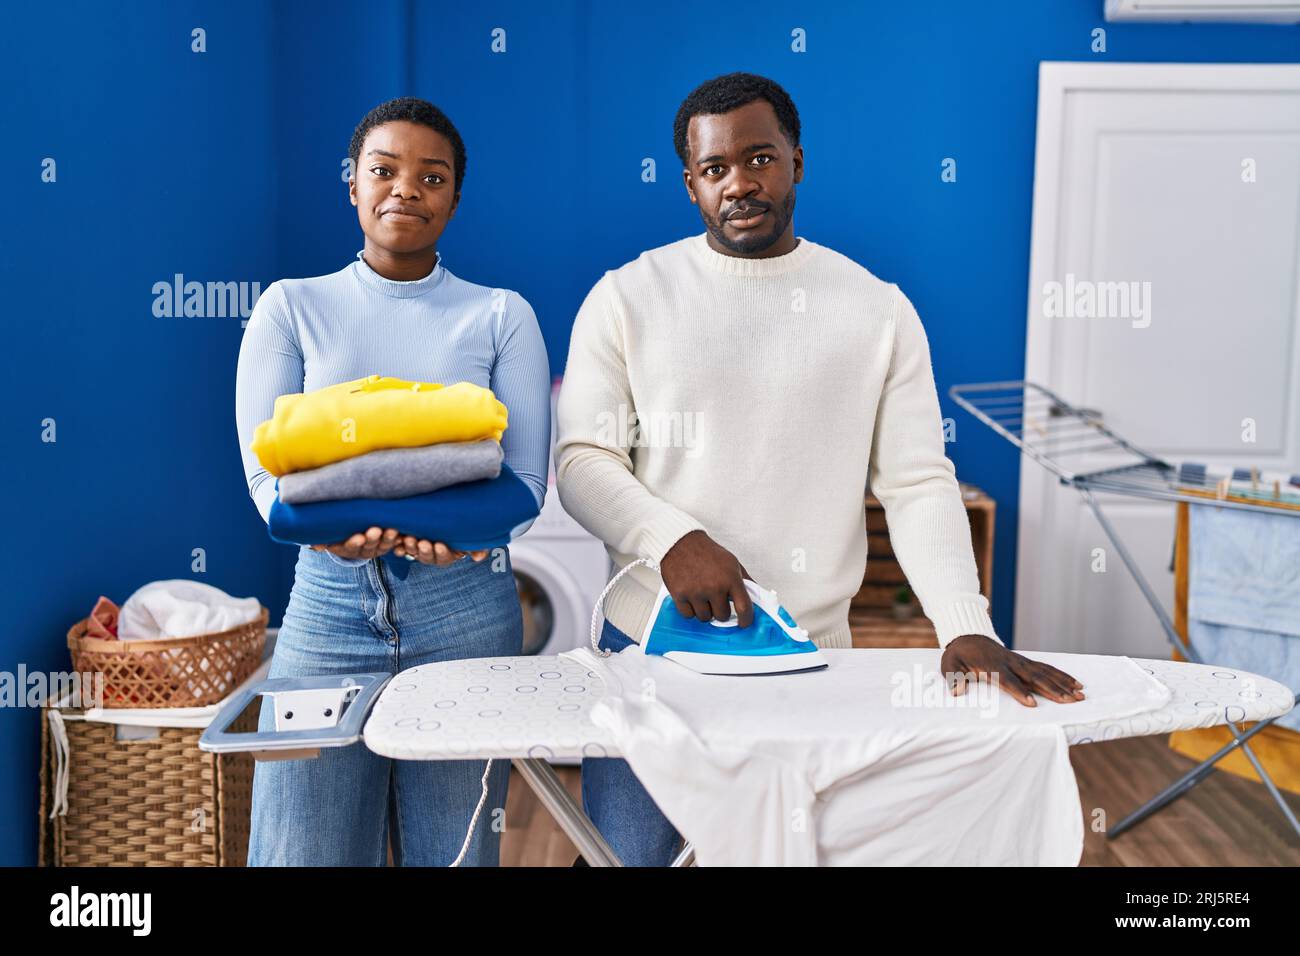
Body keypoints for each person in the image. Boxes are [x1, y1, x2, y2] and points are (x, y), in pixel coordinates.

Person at [554, 72, 1084, 866]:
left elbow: (916, 483)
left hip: (814, 658)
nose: (740, 184)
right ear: (690, 182)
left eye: (759, 158)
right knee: (632, 858)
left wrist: (965, 624)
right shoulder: (627, 297)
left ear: (797, 161)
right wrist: (672, 540)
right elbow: (583, 460)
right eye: (715, 169)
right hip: (650, 649)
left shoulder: (875, 310)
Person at [235, 97, 551, 865]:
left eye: (431, 176)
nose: (405, 189)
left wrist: (459, 535)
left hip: (468, 612)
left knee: (455, 850)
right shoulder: (291, 307)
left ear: (454, 197)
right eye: (384, 170)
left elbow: (526, 485)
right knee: (300, 848)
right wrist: (374, 525)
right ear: (353, 184)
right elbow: (269, 484)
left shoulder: (501, 316)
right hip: (326, 613)